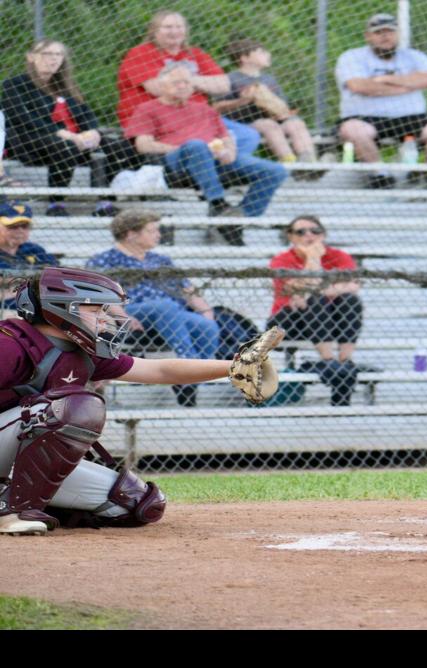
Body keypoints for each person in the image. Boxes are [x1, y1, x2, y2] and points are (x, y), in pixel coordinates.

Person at [1, 266, 246, 534]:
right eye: (95, 310)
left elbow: (159, 370)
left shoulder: (81, 351)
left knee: (134, 502)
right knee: (73, 407)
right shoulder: (9, 344)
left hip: (11, 456)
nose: (104, 319)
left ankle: (15, 499)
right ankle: (13, 511)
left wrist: (235, 367)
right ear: (60, 309)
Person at [126, 67, 287, 246]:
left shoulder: (204, 109)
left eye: (187, 82)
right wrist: (184, 148)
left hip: (215, 157)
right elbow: (143, 145)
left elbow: (225, 137)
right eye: (176, 82)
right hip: (178, 159)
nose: (182, 86)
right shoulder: (147, 109)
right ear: (162, 85)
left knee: (276, 171)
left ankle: (238, 217)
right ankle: (218, 203)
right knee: (196, 145)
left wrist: (229, 152)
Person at [85, 209, 218, 406]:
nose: (158, 235)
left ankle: (192, 376)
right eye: (152, 230)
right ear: (131, 234)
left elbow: (187, 289)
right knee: (165, 306)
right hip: (129, 312)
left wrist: (206, 311)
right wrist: (123, 317)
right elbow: (100, 295)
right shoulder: (104, 260)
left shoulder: (161, 260)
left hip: (171, 316)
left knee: (207, 326)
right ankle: (188, 366)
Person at [1, 40, 128, 216]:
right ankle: (56, 204)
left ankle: (104, 203)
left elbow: (86, 113)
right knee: (65, 147)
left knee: (116, 147)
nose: (53, 59)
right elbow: (22, 117)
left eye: (58, 54)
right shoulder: (15, 84)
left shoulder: (66, 86)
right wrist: (61, 133)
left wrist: (92, 131)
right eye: (47, 54)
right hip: (33, 140)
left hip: (75, 139)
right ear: (31, 57)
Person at [335, 13, 427, 190]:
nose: (385, 36)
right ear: (368, 36)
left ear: (398, 34)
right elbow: (359, 86)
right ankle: (379, 175)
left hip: (411, 118)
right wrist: (407, 85)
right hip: (365, 118)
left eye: (390, 31)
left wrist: (385, 80)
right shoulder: (351, 57)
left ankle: (425, 174)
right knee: (352, 129)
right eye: (378, 32)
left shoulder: (414, 56)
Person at [115, 10, 260, 157]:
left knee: (248, 136)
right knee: (203, 145)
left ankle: (218, 166)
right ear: (154, 31)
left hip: (199, 116)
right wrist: (200, 82)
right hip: (160, 119)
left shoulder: (195, 54)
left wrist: (186, 79)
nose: (174, 31)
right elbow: (157, 88)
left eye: (179, 27)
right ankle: (206, 166)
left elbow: (223, 85)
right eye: (168, 27)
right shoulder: (140, 53)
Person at [268, 215, 365, 405]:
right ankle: (329, 362)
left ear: (323, 234)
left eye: (315, 231)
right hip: (287, 322)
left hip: (329, 321)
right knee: (315, 300)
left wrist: (311, 291)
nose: (309, 235)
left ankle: (344, 362)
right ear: (291, 237)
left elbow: (353, 286)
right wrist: (313, 258)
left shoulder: (338, 255)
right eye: (301, 232)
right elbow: (296, 288)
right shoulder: (282, 260)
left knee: (350, 300)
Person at [215, 38, 316, 173]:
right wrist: (242, 100)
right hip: (245, 123)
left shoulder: (268, 79)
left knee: (296, 124)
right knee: (268, 125)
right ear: (244, 58)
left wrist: (283, 112)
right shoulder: (231, 78)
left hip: (274, 120)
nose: (268, 54)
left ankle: (309, 162)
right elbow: (217, 107)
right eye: (261, 52)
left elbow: (282, 104)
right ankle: (290, 163)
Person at [0, 200, 59, 273]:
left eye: (25, 226)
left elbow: (55, 272)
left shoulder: (34, 250)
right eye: (13, 226)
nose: (20, 230)